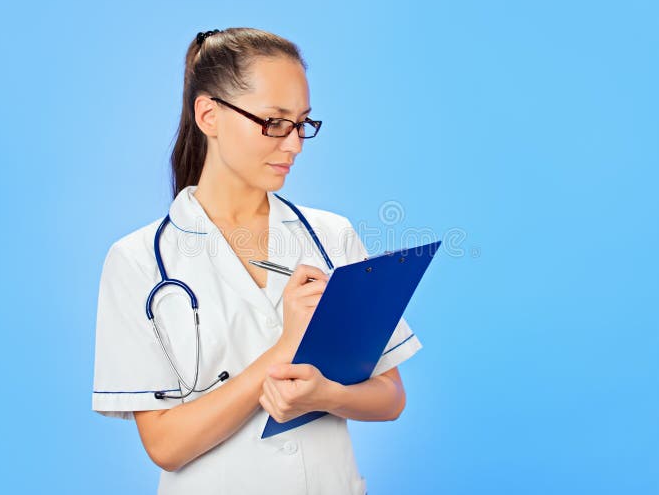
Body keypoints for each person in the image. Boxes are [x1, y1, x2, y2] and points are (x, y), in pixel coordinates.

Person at [91, 27, 422, 495]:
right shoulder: (140, 261)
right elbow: (165, 444)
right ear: (209, 115)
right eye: (274, 121)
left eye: (303, 123)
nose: (295, 144)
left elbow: (390, 397)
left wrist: (326, 395)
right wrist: (282, 352)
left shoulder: (331, 237)